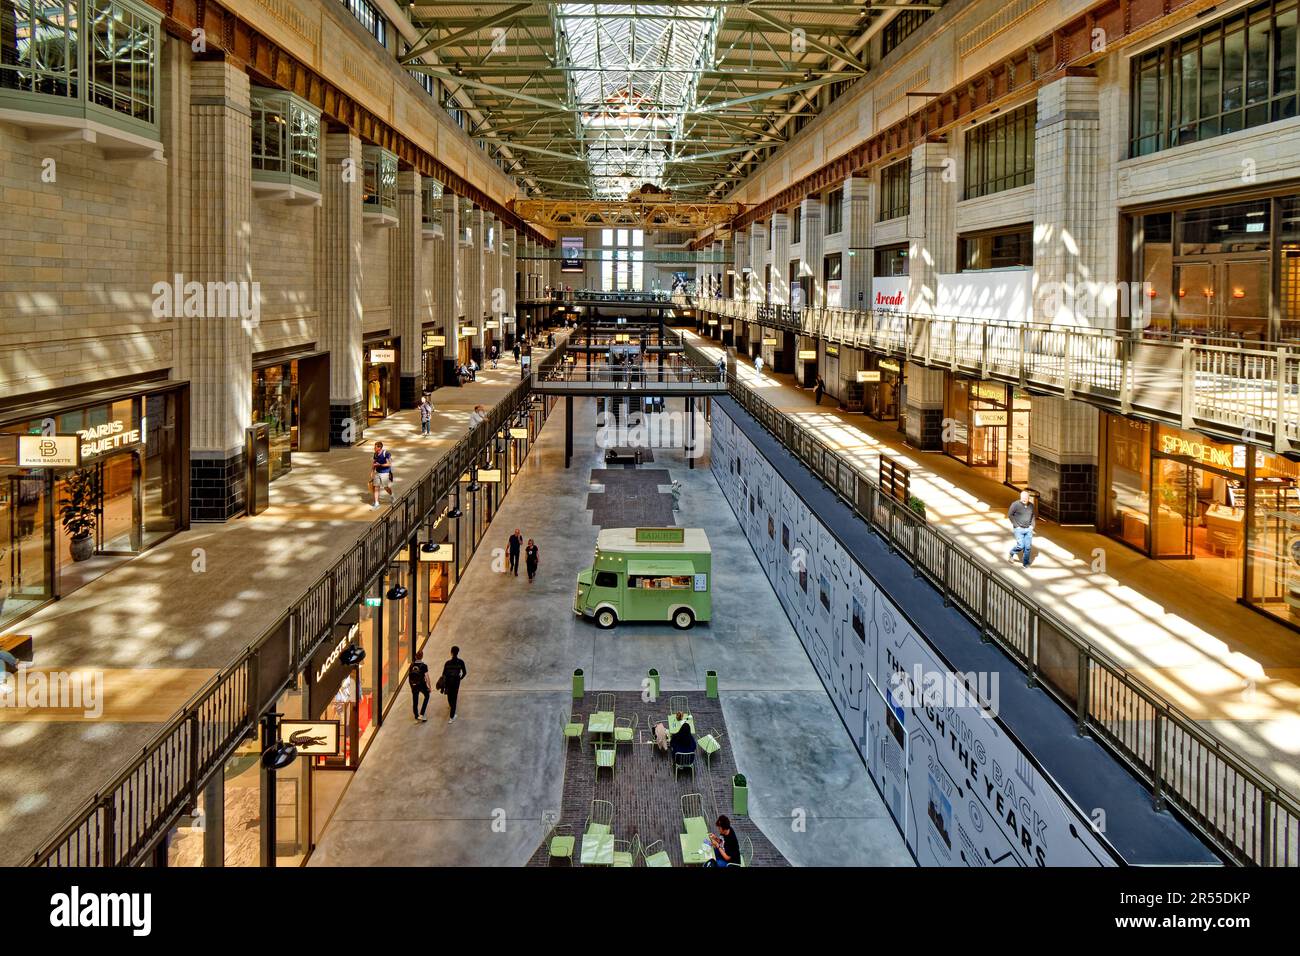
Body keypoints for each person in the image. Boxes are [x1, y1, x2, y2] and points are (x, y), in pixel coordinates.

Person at [438, 646, 467, 722]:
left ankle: (451, 707)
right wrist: (460, 678)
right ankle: (452, 717)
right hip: (456, 682)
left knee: (449, 695)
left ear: (451, 653)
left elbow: (443, 674)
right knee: (454, 697)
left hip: (448, 682)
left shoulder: (447, 663)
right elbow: (465, 673)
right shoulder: (461, 662)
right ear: (458, 653)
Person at [1008, 489, 1036, 568]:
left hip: (1028, 529)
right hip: (1018, 529)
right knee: (1020, 545)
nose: (1024, 499)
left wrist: (1032, 526)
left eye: (1026, 498)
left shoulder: (1031, 506)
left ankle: (1025, 563)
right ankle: (1011, 553)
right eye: (1023, 498)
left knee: (1027, 547)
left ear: (1028, 498)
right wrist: (1016, 525)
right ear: (1020, 497)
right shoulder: (1015, 505)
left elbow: (1033, 516)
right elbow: (1010, 515)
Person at [370, 441, 395, 508]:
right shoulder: (375, 454)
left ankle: (392, 496)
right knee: (376, 487)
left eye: (375, 447)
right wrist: (372, 472)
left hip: (385, 472)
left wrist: (380, 464)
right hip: (378, 472)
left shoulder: (386, 453)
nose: (374, 448)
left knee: (385, 487)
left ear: (379, 447)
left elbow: (389, 463)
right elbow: (374, 463)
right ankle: (376, 503)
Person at [408, 650, 431, 721]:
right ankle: (421, 714)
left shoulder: (411, 665)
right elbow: (427, 677)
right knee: (427, 696)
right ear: (422, 657)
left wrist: (412, 686)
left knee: (415, 701)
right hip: (422, 685)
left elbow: (410, 677)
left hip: (414, 685)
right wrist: (429, 687)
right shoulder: (424, 666)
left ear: (415, 656)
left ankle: (416, 716)